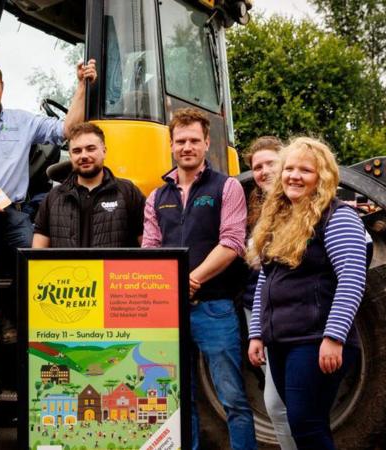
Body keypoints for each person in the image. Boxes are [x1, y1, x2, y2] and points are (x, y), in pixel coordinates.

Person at [0, 60, 96, 404]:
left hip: (10, 213)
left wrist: (81, 85)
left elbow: (68, 131)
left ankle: (36, 338)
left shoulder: (23, 122)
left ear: (2, 88)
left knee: (37, 262)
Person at [142, 108, 256, 450]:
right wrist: (172, 284)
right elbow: (150, 248)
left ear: (207, 143)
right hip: (168, 313)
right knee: (179, 399)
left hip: (215, 308)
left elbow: (232, 242)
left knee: (233, 397)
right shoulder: (156, 197)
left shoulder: (228, 187)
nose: (187, 147)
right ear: (171, 146)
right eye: (180, 141)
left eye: (194, 140)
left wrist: (190, 279)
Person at [247, 137, 367, 450]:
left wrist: (334, 337)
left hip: (315, 340)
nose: (294, 176)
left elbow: (352, 279)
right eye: (289, 168)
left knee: (306, 424)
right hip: (282, 341)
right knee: (304, 425)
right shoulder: (280, 220)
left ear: (322, 178)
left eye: (305, 170)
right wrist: (256, 333)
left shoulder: (338, 218)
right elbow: (265, 281)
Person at [241, 137, 296, 450]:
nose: (263, 171)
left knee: (282, 402)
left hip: (290, 315)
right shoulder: (256, 209)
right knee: (280, 401)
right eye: (257, 166)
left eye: (269, 163)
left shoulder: (299, 205)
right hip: (257, 311)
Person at [32, 122, 146, 248]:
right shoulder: (53, 197)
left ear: (104, 151)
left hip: (114, 269)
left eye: (91, 149)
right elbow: (37, 255)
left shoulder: (128, 192)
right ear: (70, 156)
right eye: (77, 151)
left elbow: (148, 248)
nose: (84, 156)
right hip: (68, 268)